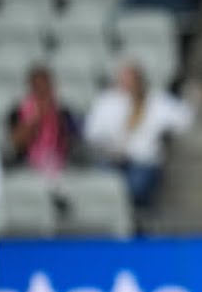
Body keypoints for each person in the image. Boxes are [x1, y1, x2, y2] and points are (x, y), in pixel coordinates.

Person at [83, 59, 195, 212]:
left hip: (143, 162)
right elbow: (92, 133)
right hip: (111, 161)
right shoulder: (107, 102)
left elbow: (184, 120)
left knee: (136, 188)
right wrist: (109, 148)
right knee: (102, 183)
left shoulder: (157, 101)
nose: (128, 85)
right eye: (125, 81)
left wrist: (189, 98)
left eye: (132, 80)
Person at [6, 64, 84, 179]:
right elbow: (16, 143)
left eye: (46, 87)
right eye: (38, 88)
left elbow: (74, 141)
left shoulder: (63, 113)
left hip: (59, 167)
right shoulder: (17, 112)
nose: (43, 92)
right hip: (26, 167)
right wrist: (36, 118)